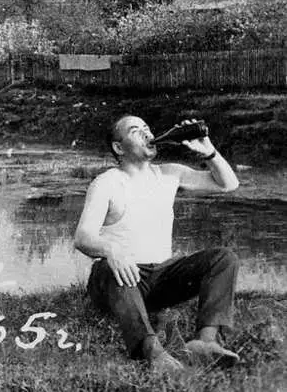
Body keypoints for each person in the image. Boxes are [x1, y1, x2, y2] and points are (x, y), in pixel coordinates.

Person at [74, 115, 240, 372]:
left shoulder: (169, 174)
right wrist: (111, 250)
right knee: (109, 267)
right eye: (135, 131)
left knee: (223, 258)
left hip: (161, 276)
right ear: (119, 148)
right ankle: (153, 353)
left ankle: (205, 341)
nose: (146, 133)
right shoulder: (106, 182)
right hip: (119, 280)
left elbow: (229, 184)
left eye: (147, 128)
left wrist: (210, 153)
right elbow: (83, 237)